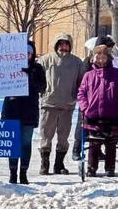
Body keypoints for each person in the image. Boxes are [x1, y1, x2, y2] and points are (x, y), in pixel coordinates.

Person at [77, 45, 118, 177]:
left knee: (111, 142)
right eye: (98, 57)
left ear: (109, 58)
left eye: (104, 57)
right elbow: (81, 93)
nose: (101, 60)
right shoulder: (88, 75)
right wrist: (85, 107)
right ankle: (91, 168)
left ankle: (110, 167)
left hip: (113, 115)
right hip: (93, 115)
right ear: (94, 59)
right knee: (94, 142)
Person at [38, 34, 85, 176]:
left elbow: (82, 82)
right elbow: (37, 77)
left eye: (66, 44)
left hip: (67, 105)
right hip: (49, 104)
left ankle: (59, 164)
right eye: (61, 43)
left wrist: (75, 97)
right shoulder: (46, 59)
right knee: (46, 135)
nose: (63, 47)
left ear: (70, 45)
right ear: (56, 44)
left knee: (63, 137)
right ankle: (44, 164)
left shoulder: (77, 62)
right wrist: (43, 93)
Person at [1, 41, 47, 184]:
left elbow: (42, 87)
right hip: (11, 109)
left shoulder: (37, 68)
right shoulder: (9, 66)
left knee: (26, 143)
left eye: (29, 53)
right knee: (13, 143)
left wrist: (30, 77)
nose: (26, 56)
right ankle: (13, 173)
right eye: (23, 53)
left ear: (32, 54)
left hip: (29, 110)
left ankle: (23, 173)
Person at [72, 35, 116, 161]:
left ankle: (98, 149)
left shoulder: (109, 62)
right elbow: (82, 83)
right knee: (82, 125)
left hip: (103, 102)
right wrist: (85, 103)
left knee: (100, 128)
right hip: (88, 101)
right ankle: (76, 148)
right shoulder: (87, 63)